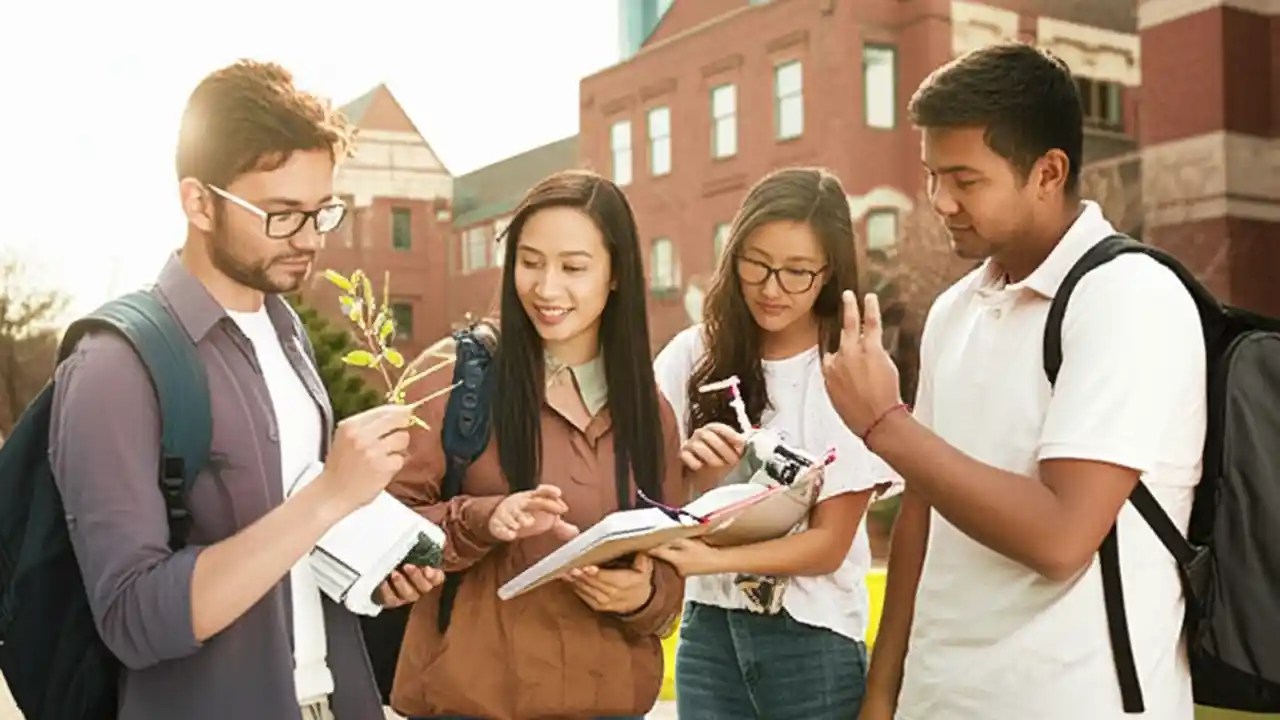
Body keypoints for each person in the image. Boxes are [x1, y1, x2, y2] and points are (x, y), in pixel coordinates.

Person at [821, 43, 1206, 720]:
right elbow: (921, 516)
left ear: (1048, 172)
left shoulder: (1127, 297)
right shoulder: (954, 310)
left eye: (965, 180)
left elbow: (1061, 537)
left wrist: (884, 424)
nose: (940, 201)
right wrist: (883, 697)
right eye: (932, 175)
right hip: (939, 702)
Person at [49, 60, 443, 720]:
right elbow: (133, 618)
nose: (312, 239)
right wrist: (328, 497)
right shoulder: (114, 365)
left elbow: (286, 547)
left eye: (323, 211)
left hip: (330, 699)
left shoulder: (285, 333)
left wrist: (370, 567)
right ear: (198, 201)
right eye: (284, 214)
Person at [387, 170, 687, 720]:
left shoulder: (650, 412)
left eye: (573, 267)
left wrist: (642, 597)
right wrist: (484, 518)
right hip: (470, 705)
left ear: (616, 273)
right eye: (530, 262)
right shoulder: (456, 378)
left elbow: (669, 569)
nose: (547, 288)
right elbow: (382, 535)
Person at [646, 167, 893, 719]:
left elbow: (828, 545)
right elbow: (641, 490)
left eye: (797, 272)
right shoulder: (692, 356)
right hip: (710, 635)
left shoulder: (846, 370)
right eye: (755, 263)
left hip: (813, 644)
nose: (771, 287)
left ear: (829, 273)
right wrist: (692, 475)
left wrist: (703, 560)